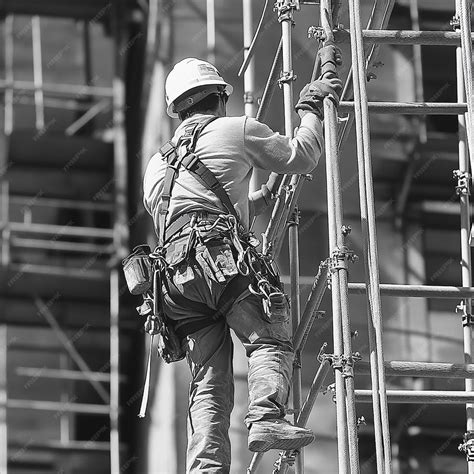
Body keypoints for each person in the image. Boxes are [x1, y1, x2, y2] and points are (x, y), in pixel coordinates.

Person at [143, 55, 341, 473]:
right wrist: (309, 110)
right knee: (267, 336)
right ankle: (267, 417)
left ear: (177, 110)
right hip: (219, 266)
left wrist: (252, 202)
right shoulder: (236, 129)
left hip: (176, 286)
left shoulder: (155, 166)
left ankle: (206, 468)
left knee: (208, 385)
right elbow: (303, 156)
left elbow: (188, 212)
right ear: (219, 98)